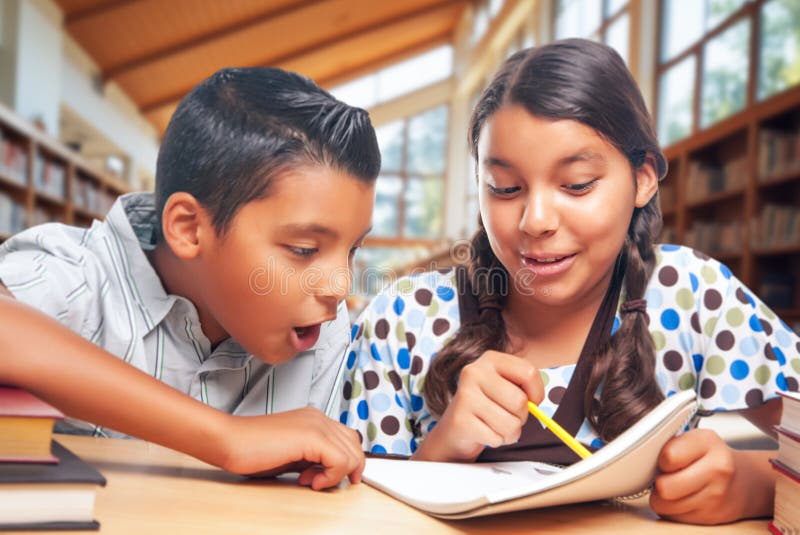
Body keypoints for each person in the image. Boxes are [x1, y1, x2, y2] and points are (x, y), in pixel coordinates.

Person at [340, 39, 799, 523]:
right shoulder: (403, 319)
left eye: (577, 184)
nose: (535, 220)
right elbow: (346, 516)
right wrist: (444, 448)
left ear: (643, 178)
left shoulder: (693, 294)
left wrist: (758, 484)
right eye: (505, 189)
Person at [0, 66, 380, 490]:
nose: (340, 286)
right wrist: (227, 438)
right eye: (304, 250)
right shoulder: (79, 276)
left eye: (352, 249)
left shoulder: (322, 332)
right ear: (188, 228)